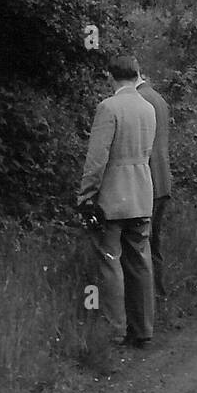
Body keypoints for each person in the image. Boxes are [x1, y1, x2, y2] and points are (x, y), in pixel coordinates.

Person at [77, 54, 157, 348]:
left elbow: (97, 159)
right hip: (141, 193)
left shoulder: (108, 107)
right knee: (140, 262)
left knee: (110, 262)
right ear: (136, 74)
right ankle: (144, 327)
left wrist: (85, 195)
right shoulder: (149, 108)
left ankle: (115, 329)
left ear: (112, 76)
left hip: (112, 196)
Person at [136, 73, 173, 298]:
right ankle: (158, 291)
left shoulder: (139, 100)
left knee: (142, 242)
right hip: (162, 178)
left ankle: (146, 296)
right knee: (154, 240)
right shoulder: (157, 98)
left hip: (146, 180)